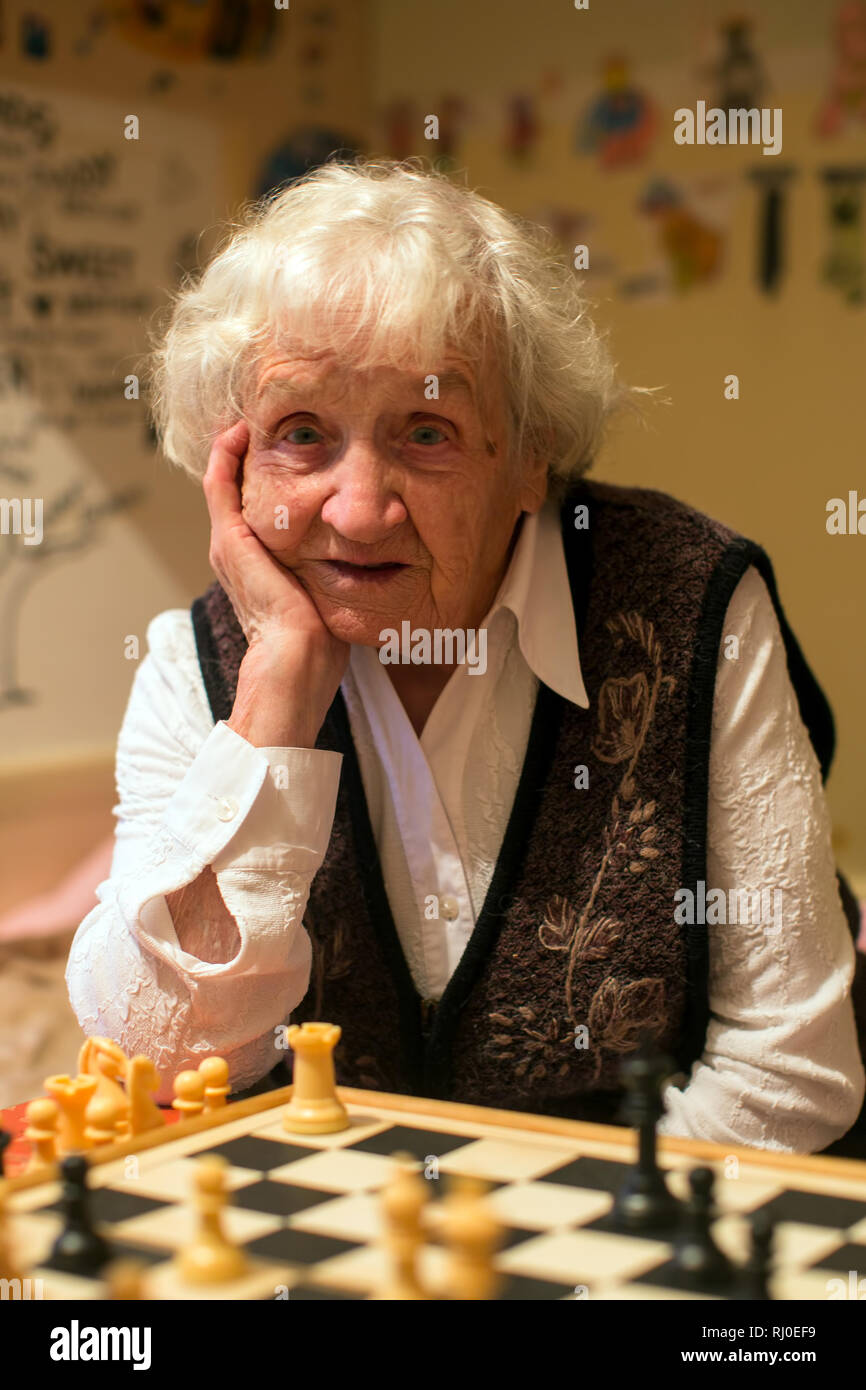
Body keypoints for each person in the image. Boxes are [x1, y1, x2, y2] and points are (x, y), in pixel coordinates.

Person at [66, 158, 865, 1152]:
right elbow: (163, 1055)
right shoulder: (201, 661)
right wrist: (272, 697)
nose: (358, 509)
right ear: (229, 461)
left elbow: (788, 1076)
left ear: (529, 455)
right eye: (301, 431)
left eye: (427, 431)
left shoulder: (685, 597)